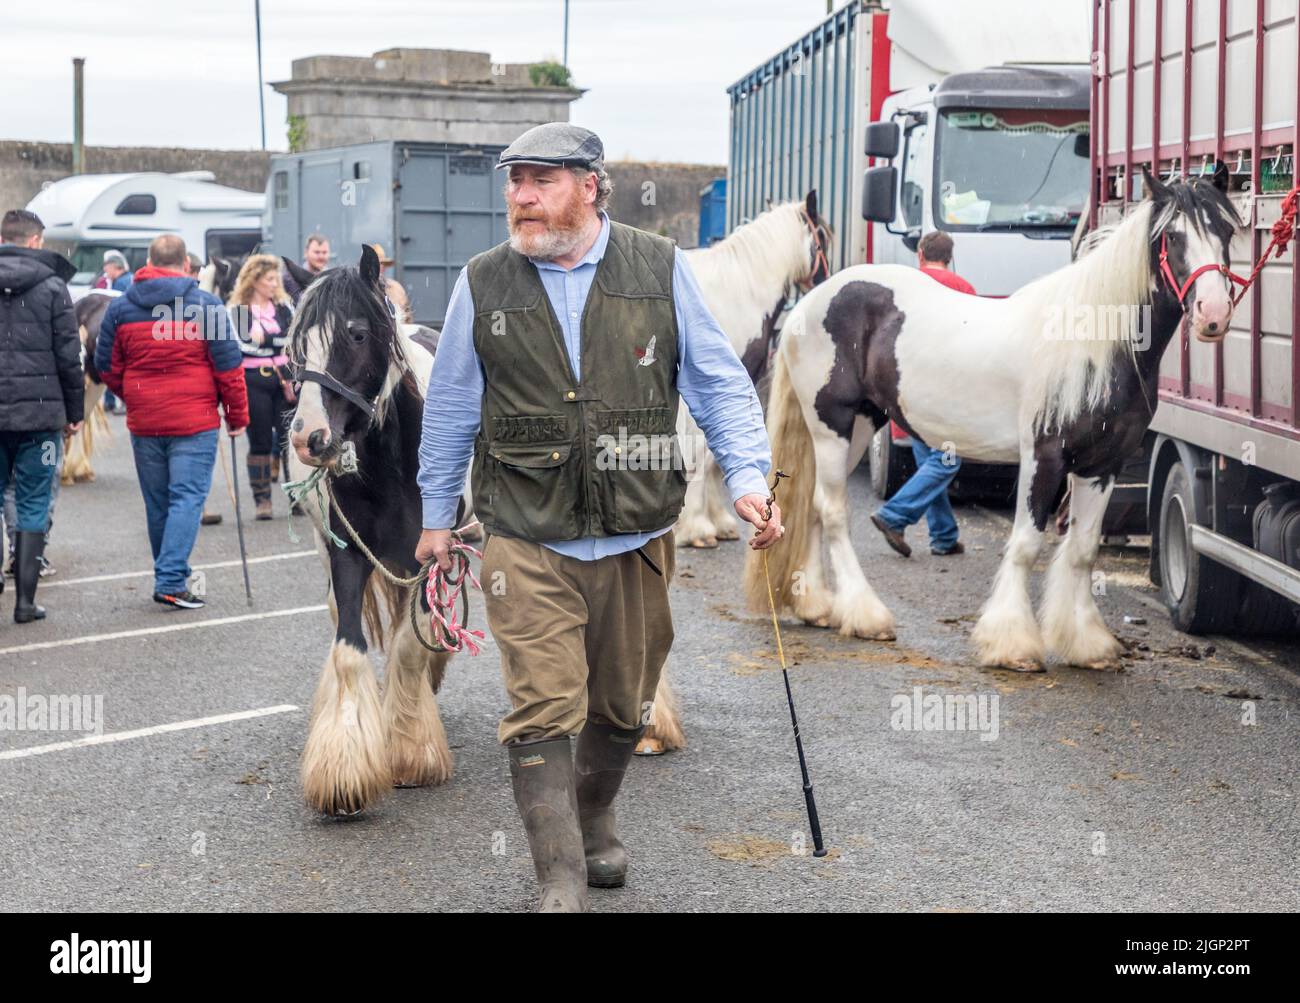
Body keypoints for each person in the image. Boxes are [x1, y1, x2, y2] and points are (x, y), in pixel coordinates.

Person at [415, 123, 784, 913]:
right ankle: (559, 874)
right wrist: (436, 514)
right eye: (515, 181)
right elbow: (449, 404)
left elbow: (717, 382)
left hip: (638, 533)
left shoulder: (659, 267)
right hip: (524, 529)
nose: (520, 196)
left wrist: (749, 476)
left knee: (622, 706)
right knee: (543, 703)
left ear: (589, 186)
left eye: (539, 180)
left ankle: (594, 814)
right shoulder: (482, 282)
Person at [96, 234, 249, 610]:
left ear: (148, 260)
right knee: (187, 498)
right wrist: (237, 415)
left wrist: (133, 393)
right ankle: (169, 580)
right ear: (185, 265)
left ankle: (171, 573)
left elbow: (106, 367)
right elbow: (229, 369)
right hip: (194, 421)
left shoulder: (122, 308)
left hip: (145, 420)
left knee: (158, 501)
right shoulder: (207, 306)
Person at [0, 209, 83, 622]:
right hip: (41, 417)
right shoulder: (53, 287)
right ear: (34, 242)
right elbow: (69, 356)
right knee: (34, 501)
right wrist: (74, 412)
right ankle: (25, 603)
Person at [870, 230, 974, 558]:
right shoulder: (963, 288)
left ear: (920, 254)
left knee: (930, 463)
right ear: (949, 256)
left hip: (905, 387)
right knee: (946, 461)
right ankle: (894, 515)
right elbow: (975, 338)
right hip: (944, 389)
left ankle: (943, 536)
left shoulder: (907, 286)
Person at [226, 254, 295, 520]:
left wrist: (266, 338)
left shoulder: (284, 307)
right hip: (253, 380)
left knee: (289, 440)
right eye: (269, 279)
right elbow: (245, 346)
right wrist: (274, 341)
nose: (274, 283)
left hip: (284, 380)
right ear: (254, 281)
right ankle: (262, 499)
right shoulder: (238, 310)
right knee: (260, 440)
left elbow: (290, 339)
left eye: (275, 278)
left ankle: (297, 496)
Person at [281, 233, 329, 304]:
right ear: (306, 253)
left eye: (324, 252)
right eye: (317, 252)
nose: (321, 256)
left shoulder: (332, 279)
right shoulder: (290, 279)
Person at [370, 243, 411, 322]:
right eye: (374, 264)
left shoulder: (396, 288)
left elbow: (407, 320)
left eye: (381, 263)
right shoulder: (359, 290)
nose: (378, 267)